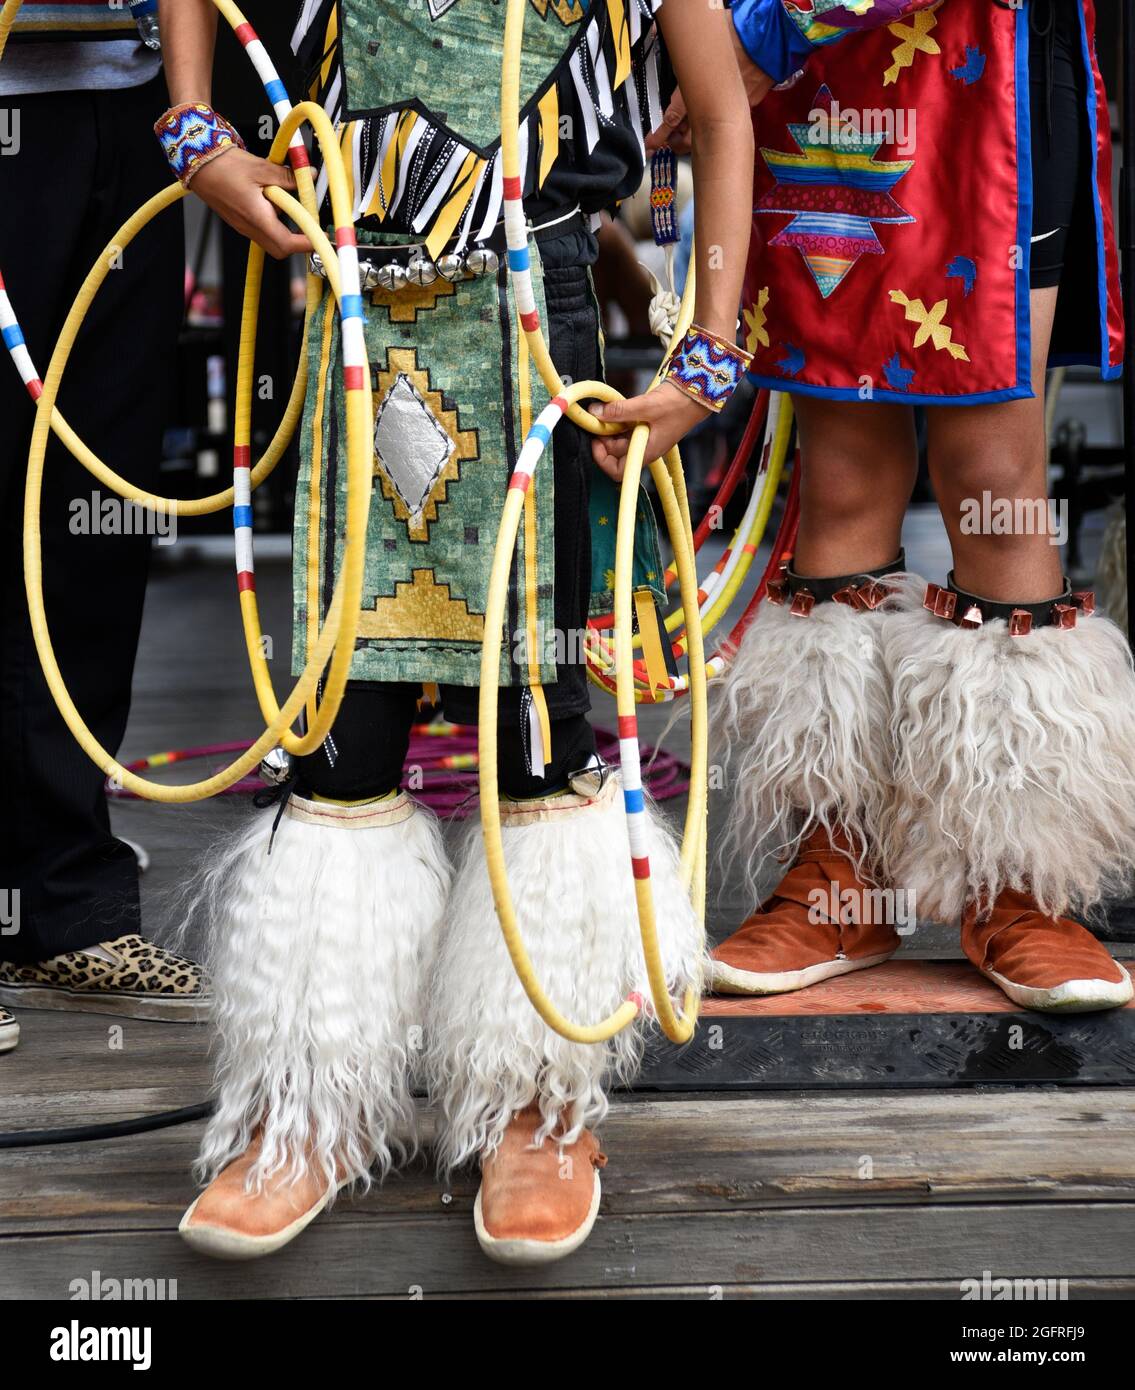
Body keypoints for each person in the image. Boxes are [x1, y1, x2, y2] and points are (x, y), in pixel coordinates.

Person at [159, 0, 753, 1262]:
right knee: (342, 730)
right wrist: (196, 126)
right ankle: (305, 1101)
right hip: (356, 326)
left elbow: (719, 109)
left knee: (542, 732)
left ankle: (538, 1102)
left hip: (539, 333)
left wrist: (705, 356)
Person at [694, 0, 1134, 1011]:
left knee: (994, 476)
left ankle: (1013, 876)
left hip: (983, 72)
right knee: (840, 473)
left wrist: (757, 40)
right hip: (820, 86)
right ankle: (838, 869)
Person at [0, 0, 209, 1039]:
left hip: (129, 108)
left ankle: (66, 906)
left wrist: (188, 109)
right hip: (12, 108)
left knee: (97, 512)